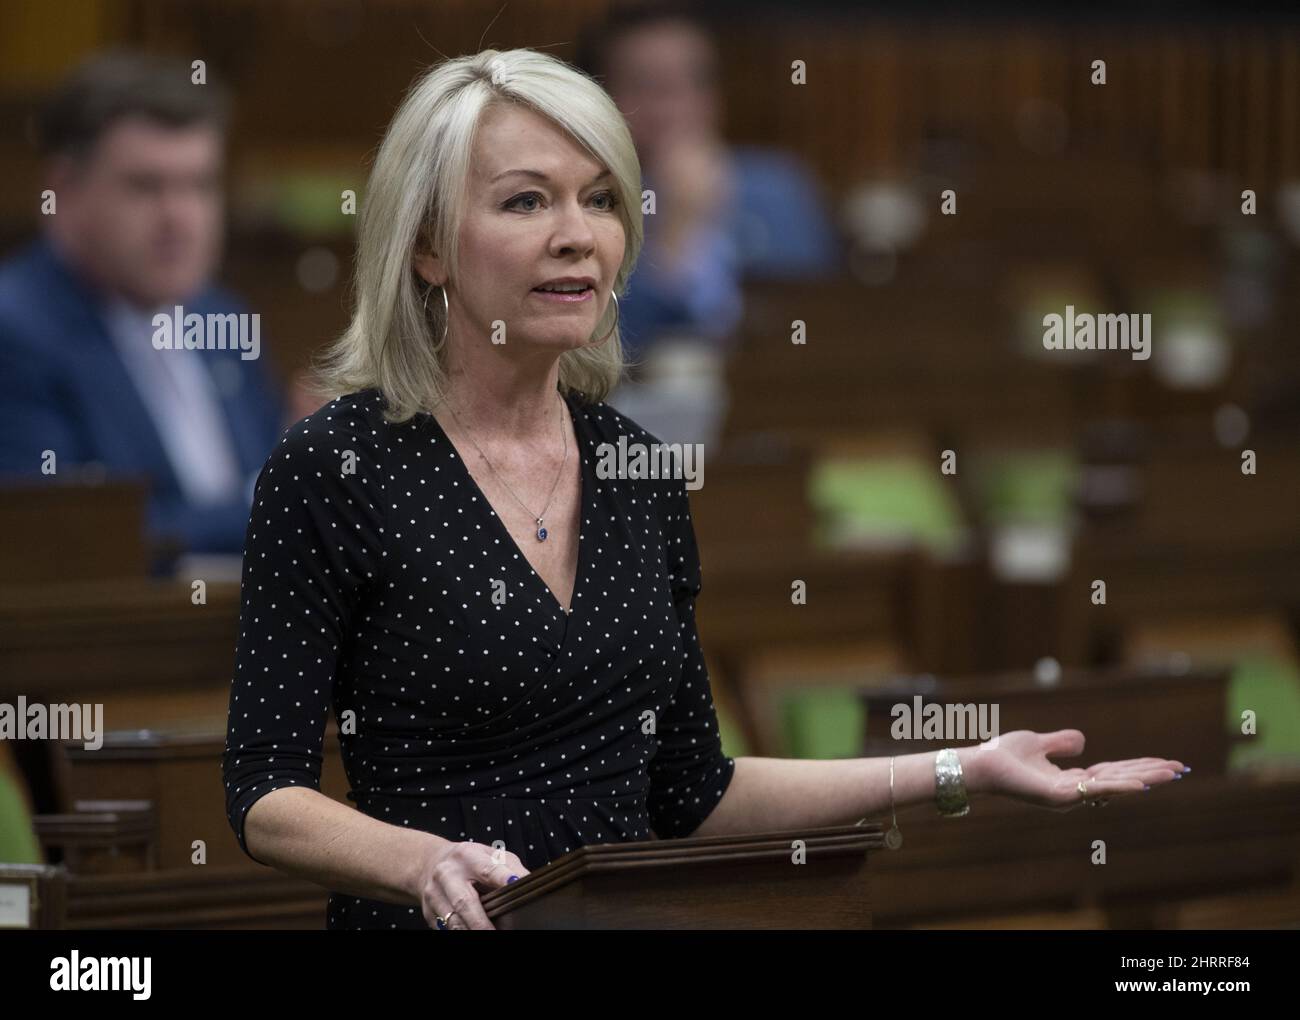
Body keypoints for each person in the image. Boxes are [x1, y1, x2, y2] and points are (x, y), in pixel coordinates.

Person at [221, 48, 1187, 931]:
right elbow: (265, 796)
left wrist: (955, 766)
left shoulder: (637, 466)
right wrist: (420, 861)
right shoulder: (334, 467)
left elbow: (695, 790)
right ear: (429, 246)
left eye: (601, 199)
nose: (577, 236)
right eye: (525, 202)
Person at [0, 52, 286, 562]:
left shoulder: (220, 316)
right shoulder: (16, 329)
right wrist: (270, 504)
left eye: (199, 185)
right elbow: (63, 545)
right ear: (64, 190)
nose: (179, 217)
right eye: (145, 186)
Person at [575, 4, 841, 444]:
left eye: (695, 82)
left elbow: (824, 322)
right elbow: (592, 348)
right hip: (629, 438)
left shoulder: (778, 189)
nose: (678, 105)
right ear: (599, 99)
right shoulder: (582, 204)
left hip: (782, 424)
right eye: (648, 86)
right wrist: (675, 234)